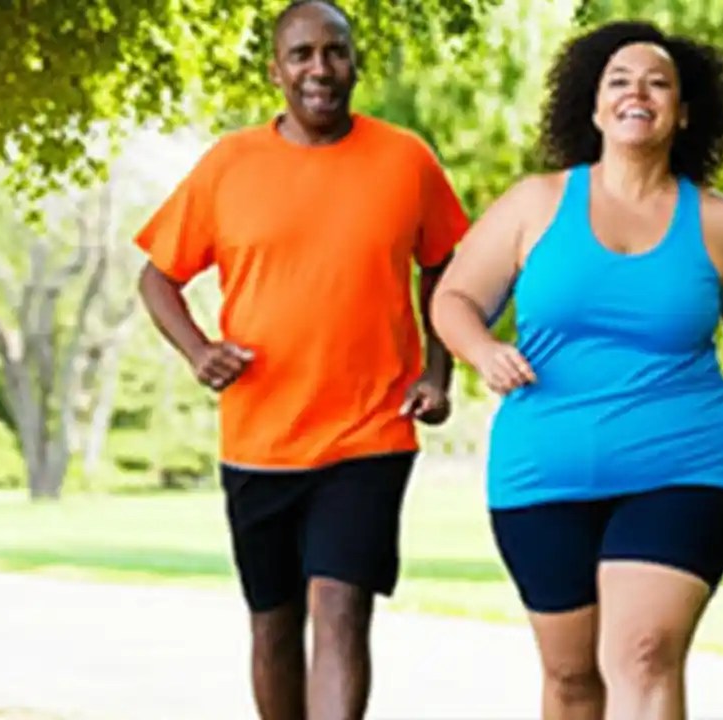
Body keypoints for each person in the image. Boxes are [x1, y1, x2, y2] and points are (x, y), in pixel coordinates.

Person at [431, 19, 723, 720]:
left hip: (684, 463)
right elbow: (453, 298)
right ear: (593, 105)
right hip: (544, 468)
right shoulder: (535, 205)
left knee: (642, 654)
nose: (638, 92)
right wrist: (482, 352)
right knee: (574, 679)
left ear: (685, 111)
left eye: (658, 82)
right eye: (620, 81)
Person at [131, 1, 470, 718]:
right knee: (274, 625)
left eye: (335, 52)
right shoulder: (230, 164)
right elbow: (157, 278)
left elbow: (447, 268)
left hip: (370, 431)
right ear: (276, 71)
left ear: (355, 61)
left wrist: (439, 373)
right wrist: (199, 352)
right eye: (302, 55)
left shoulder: (405, 158)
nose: (321, 69)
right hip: (260, 439)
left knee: (342, 608)